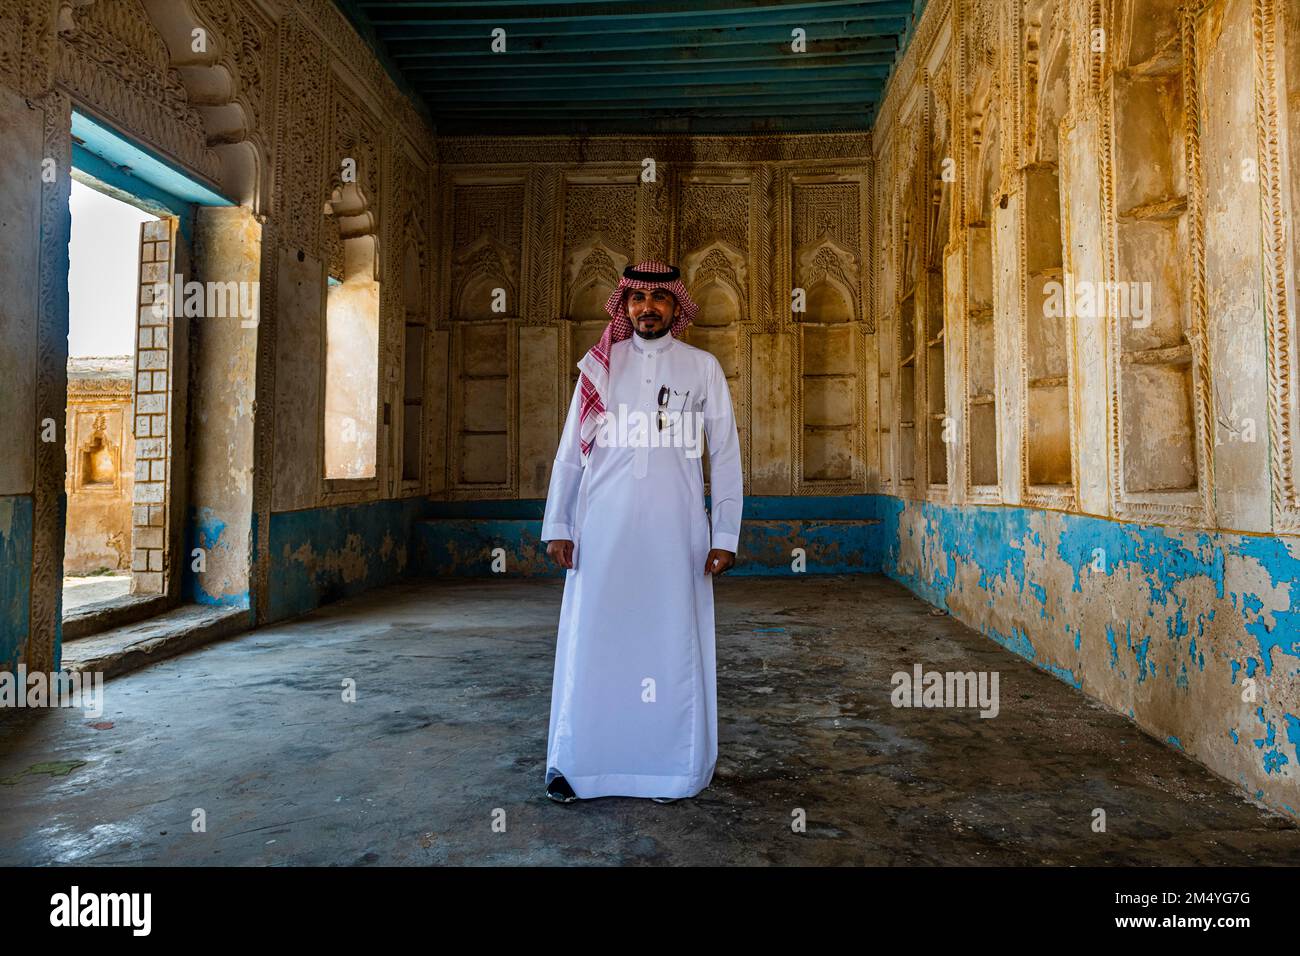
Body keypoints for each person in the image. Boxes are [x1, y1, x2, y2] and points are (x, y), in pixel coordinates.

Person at [540, 260, 743, 804]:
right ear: (623, 306)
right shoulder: (599, 368)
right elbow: (568, 455)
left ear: (677, 308)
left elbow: (724, 456)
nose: (646, 307)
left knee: (670, 643)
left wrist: (725, 533)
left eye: (659, 298)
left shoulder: (701, 369)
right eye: (637, 299)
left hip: (678, 534)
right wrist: (559, 523)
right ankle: (582, 766)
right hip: (601, 529)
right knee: (596, 641)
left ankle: (671, 772)